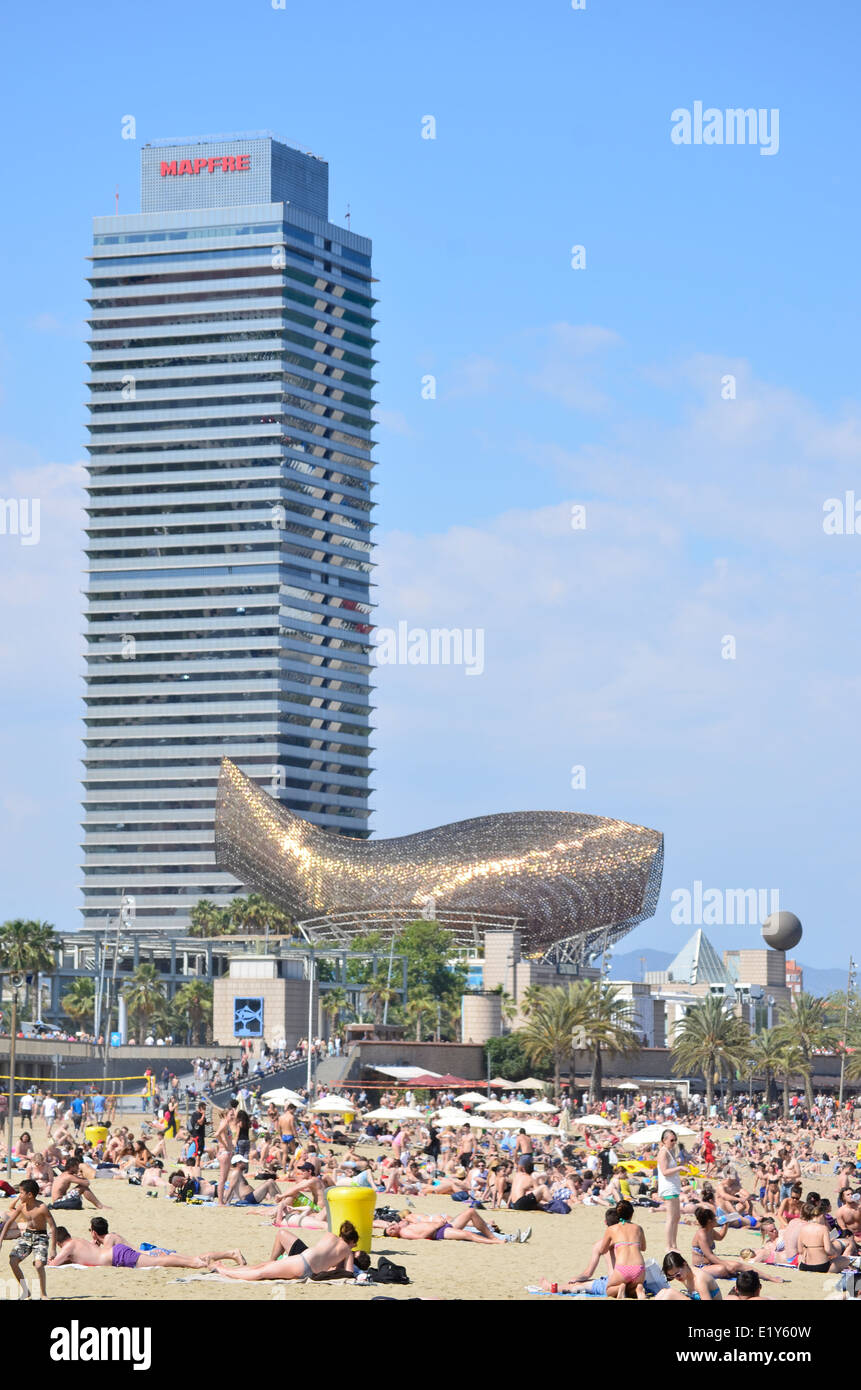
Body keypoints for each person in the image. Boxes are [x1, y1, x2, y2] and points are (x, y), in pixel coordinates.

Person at [212, 1220, 359, 1282]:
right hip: (307, 1269)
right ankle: (228, 1270)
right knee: (264, 1269)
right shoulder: (347, 1251)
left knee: (262, 1270)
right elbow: (349, 1272)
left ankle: (224, 1271)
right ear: (352, 1241)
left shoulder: (330, 1236)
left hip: (301, 1262)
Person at [0, 1178, 57, 1300]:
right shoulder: (22, 1207)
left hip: (41, 1237)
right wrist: (0, 1239)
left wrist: (53, 1249)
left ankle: (43, 1294)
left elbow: (53, 1227)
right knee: (13, 1261)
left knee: (38, 1265)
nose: (19, 1195)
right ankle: (26, 1292)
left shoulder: (42, 1208)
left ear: (29, 1194)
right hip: (27, 1235)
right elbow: (9, 1222)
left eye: (21, 1193)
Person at [384, 1209, 531, 1244]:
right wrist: (437, 1225)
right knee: (469, 1235)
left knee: (470, 1212)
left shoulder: (405, 1225)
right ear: (393, 1235)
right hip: (440, 1232)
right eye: (390, 1231)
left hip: (442, 1225)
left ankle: (493, 1235)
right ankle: (495, 1240)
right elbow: (422, 1236)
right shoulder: (404, 1234)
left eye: (390, 1227)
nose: (391, 1227)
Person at [597, 1200, 647, 1299]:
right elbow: (643, 1248)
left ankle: (620, 1287)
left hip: (622, 1267)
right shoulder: (638, 1228)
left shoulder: (611, 1229)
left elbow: (602, 1250)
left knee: (609, 1289)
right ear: (632, 1214)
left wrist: (615, 1243)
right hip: (639, 1268)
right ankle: (638, 1288)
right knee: (631, 1291)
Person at [655, 1249, 721, 1301]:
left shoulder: (699, 1280)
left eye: (677, 1275)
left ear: (685, 1264)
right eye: (672, 1276)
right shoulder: (685, 1273)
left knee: (669, 1294)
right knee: (662, 1292)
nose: (676, 1278)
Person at [657, 1129, 682, 1252]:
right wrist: (680, 1168)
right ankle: (668, 1246)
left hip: (673, 1187)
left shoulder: (670, 1151)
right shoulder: (663, 1152)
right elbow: (664, 1172)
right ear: (664, 1140)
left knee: (677, 1217)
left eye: (675, 1140)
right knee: (671, 1217)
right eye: (671, 1140)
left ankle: (674, 1245)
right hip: (668, 1188)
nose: (674, 1142)